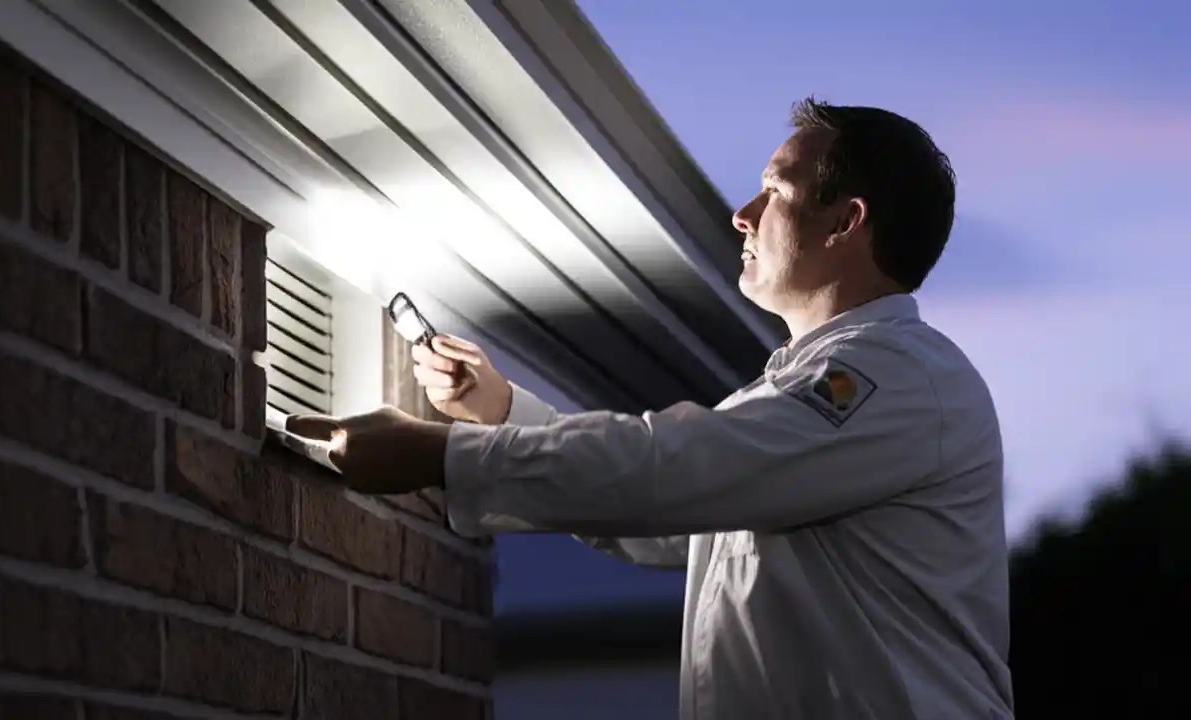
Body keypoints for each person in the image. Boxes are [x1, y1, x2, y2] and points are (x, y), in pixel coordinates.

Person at [288, 98, 1014, 719]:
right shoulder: (791, 400)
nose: (742, 214)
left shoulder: (902, 380)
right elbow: (651, 513)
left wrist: (434, 452)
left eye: (775, 192)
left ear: (844, 222)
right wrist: (502, 410)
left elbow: (671, 470)